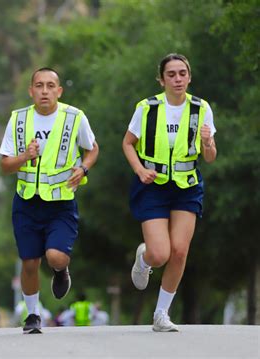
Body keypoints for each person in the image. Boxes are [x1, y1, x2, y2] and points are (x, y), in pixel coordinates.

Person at [0, 67, 99, 334]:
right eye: (39, 86)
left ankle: (61, 270)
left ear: (59, 90)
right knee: (29, 262)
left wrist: (84, 168)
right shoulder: (18, 119)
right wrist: (24, 156)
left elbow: (92, 148)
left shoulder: (74, 117)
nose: (45, 91)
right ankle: (32, 315)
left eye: (50, 85)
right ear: (31, 90)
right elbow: (6, 165)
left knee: (55, 256)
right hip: (26, 202)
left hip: (61, 203)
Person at [122, 53, 217, 332]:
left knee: (179, 251)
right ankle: (144, 258)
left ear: (189, 77)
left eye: (182, 73)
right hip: (153, 185)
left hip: (186, 187)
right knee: (160, 253)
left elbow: (210, 156)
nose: (177, 79)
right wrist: (140, 170)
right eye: (171, 74)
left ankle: (161, 314)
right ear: (161, 79)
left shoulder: (201, 109)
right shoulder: (147, 108)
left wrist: (208, 142)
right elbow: (128, 144)